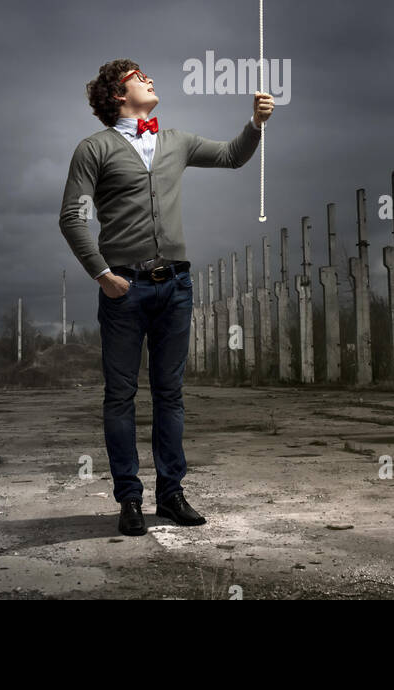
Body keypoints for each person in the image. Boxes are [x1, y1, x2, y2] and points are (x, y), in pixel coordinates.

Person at [59, 59, 274, 536]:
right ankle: (129, 500)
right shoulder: (93, 149)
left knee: (170, 394)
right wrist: (102, 275)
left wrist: (255, 124)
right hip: (123, 288)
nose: (150, 79)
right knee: (120, 396)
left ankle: (172, 495)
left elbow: (233, 156)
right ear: (119, 94)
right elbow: (72, 218)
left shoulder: (176, 140)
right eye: (140, 76)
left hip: (176, 285)